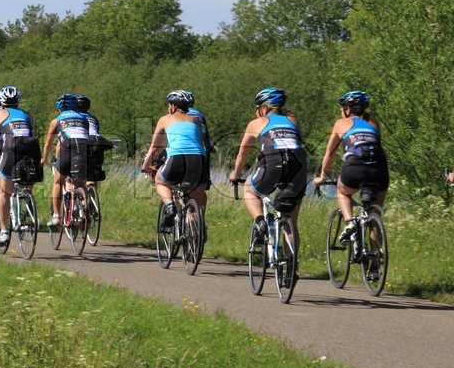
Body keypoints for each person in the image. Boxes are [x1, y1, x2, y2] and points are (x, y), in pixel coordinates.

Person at [228, 87, 307, 249]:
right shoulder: (293, 121)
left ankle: (260, 221)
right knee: (290, 220)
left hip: (273, 163)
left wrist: (235, 173)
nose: (256, 112)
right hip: (298, 167)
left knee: (250, 189)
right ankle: (292, 267)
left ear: (264, 108)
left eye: (257, 109)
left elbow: (243, 153)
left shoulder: (256, 123)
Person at [312, 91, 389, 242]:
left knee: (343, 192)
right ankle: (375, 262)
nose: (341, 112)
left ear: (348, 109)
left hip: (355, 166)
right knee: (374, 216)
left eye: (342, 109)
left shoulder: (341, 123)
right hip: (379, 169)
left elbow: (330, 154)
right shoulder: (374, 123)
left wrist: (322, 177)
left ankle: (349, 222)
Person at [0, 86, 40, 245]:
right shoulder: (26, 114)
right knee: (26, 181)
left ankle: (4, 232)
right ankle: (28, 202)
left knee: (4, 193)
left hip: (10, 149)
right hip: (31, 148)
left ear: (1, 101)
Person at [141, 90, 210, 226]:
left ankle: (170, 206)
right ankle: (196, 233)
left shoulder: (165, 119)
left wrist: (145, 167)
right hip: (200, 160)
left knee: (160, 181)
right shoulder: (195, 120)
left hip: (177, 157)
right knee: (195, 201)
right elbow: (201, 141)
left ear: (172, 107)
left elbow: (155, 147)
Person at [41, 93, 90, 227]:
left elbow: (49, 143)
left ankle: (56, 216)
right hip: (84, 150)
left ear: (60, 108)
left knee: (58, 182)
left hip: (67, 149)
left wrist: (44, 159)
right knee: (80, 183)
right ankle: (85, 212)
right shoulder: (84, 119)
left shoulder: (56, 121)